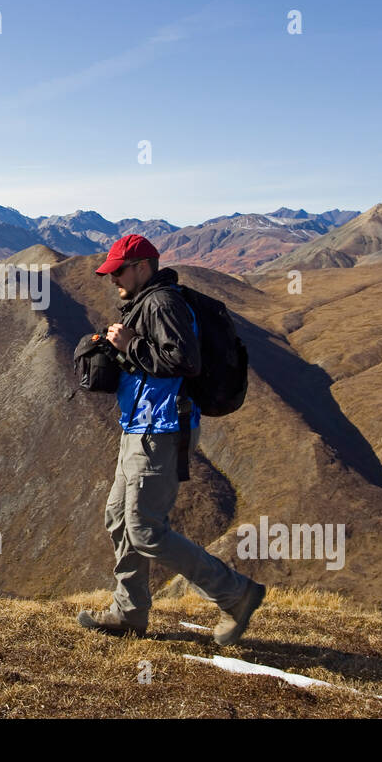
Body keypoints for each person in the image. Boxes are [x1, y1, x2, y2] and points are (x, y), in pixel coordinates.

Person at [77, 234, 266, 644]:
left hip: (161, 431)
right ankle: (129, 613)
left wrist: (131, 344)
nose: (113, 279)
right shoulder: (146, 303)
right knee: (119, 519)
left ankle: (236, 594)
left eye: (119, 271)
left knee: (145, 529)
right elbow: (155, 361)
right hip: (138, 429)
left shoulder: (163, 303)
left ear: (143, 266)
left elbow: (185, 361)